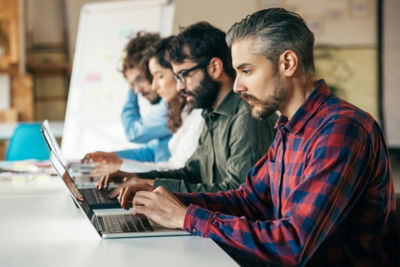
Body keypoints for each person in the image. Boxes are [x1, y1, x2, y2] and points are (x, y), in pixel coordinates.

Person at [113, 9, 399, 266]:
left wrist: (185, 217)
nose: (237, 85)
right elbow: (248, 201)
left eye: (246, 70)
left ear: (287, 63)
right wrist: (168, 200)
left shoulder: (340, 129)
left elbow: (292, 244)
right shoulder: (289, 127)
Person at [97, 22, 277, 193]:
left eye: (184, 76)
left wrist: (151, 185)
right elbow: (192, 172)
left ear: (214, 68)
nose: (180, 87)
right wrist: (137, 177)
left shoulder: (246, 115)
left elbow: (239, 194)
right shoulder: (211, 114)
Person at [104, 36, 204, 175]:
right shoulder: (180, 110)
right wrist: (114, 160)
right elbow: (154, 151)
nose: (153, 85)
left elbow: (133, 132)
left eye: (159, 76)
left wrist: (122, 166)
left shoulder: (188, 112)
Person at [85, 32, 171, 164]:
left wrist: (131, 91)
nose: (137, 90)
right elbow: (152, 153)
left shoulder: (170, 108)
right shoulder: (166, 106)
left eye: (139, 79)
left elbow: (133, 132)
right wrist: (109, 157)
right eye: (132, 85)